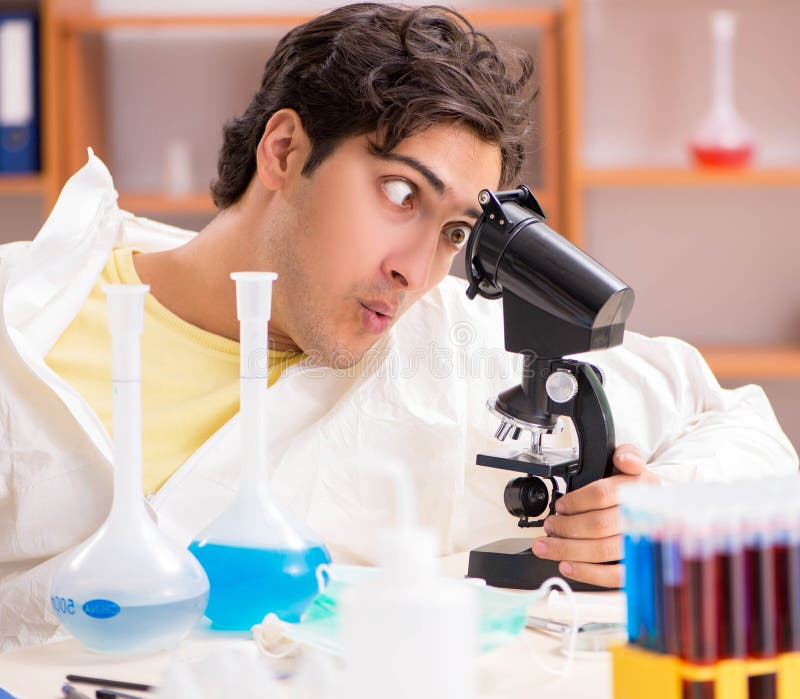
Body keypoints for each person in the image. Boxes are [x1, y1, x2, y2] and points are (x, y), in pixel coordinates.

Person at [0, 3, 796, 652]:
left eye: (453, 233)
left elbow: (743, 427)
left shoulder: (448, 347)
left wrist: (651, 512)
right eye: (401, 195)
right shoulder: (27, 311)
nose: (416, 270)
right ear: (284, 149)